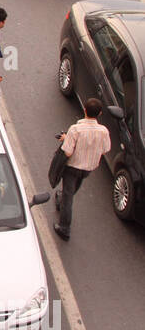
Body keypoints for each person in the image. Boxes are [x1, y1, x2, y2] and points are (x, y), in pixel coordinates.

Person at [53, 98, 111, 241]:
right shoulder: (103, 131)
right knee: (73, 188)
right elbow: (105, 150)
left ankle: (64, 228)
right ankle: (61, 199)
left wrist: (65, 139)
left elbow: (67, 152)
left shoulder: (75, 129)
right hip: (88, 168)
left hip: (72, 167)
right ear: (100, 113)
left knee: (68, 196)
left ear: (84, 110)